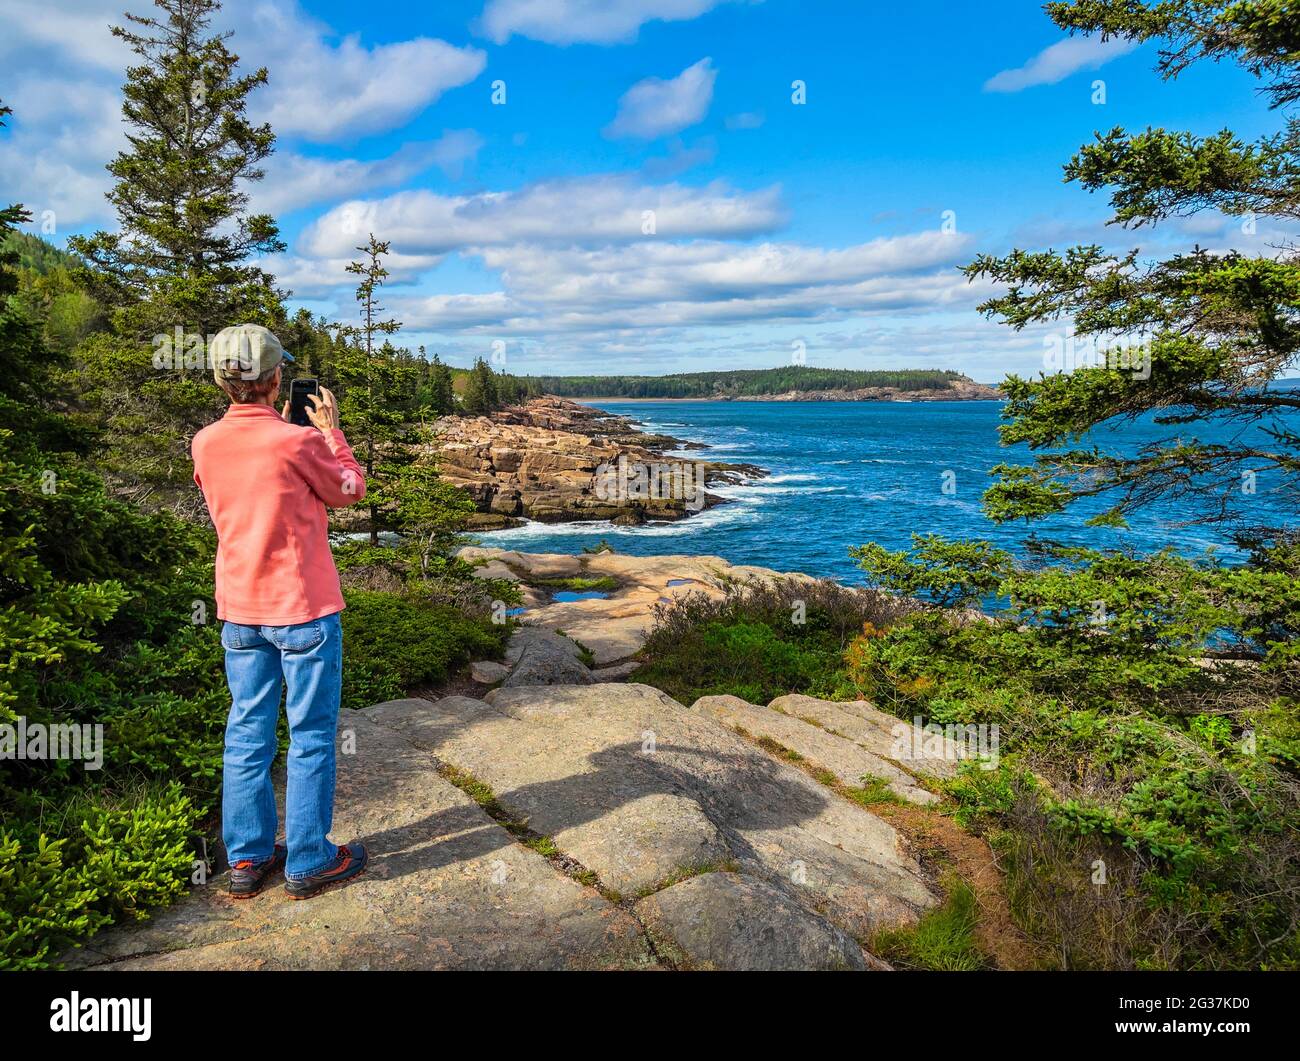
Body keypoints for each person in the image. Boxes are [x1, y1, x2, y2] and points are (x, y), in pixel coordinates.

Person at [191, 323, 369, 900]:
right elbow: (348, 489)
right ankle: (309, 860)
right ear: (275, 380)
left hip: (240, 608)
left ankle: (247, 858)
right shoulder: (299, 442)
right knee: (311, 734)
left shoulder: (204, 442)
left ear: (222, 380)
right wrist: (332, 433)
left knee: (247, 730)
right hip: (303, 610)